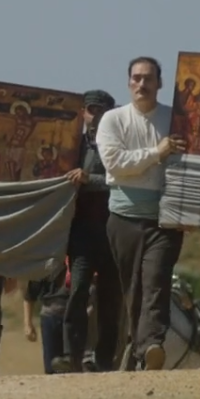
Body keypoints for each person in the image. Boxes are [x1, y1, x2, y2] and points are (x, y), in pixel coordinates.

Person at [97, 56, 187, 371]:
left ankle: (152, 344)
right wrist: (156, 153)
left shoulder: (175, 119)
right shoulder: (112, 119)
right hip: (123, 217)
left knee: (156, 280)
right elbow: (115, 164)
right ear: (128, 82)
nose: (142, 84)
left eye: (148, 78)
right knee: (132, 288)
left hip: (165, 218)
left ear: (159, 83)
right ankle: (139, 350)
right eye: (136, 78)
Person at [63, 89, 124, 372]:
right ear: (82, 112)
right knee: (77, 291)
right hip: (82, 231)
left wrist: (89, 179)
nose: (95, 115)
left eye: (101, 110)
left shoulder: (119, 142)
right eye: (90, 109)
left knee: (110, 298)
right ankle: (71, 354)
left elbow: (122, 177)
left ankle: (104, 358)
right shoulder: (69, 142)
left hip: (112, 228)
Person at [23, 259, 72, 374]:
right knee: (52, 367)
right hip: (50, 316)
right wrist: (27, 324)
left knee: (75, 366)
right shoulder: (45, 262)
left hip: (75, 315)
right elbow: (29, 295)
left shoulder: (80, 261)